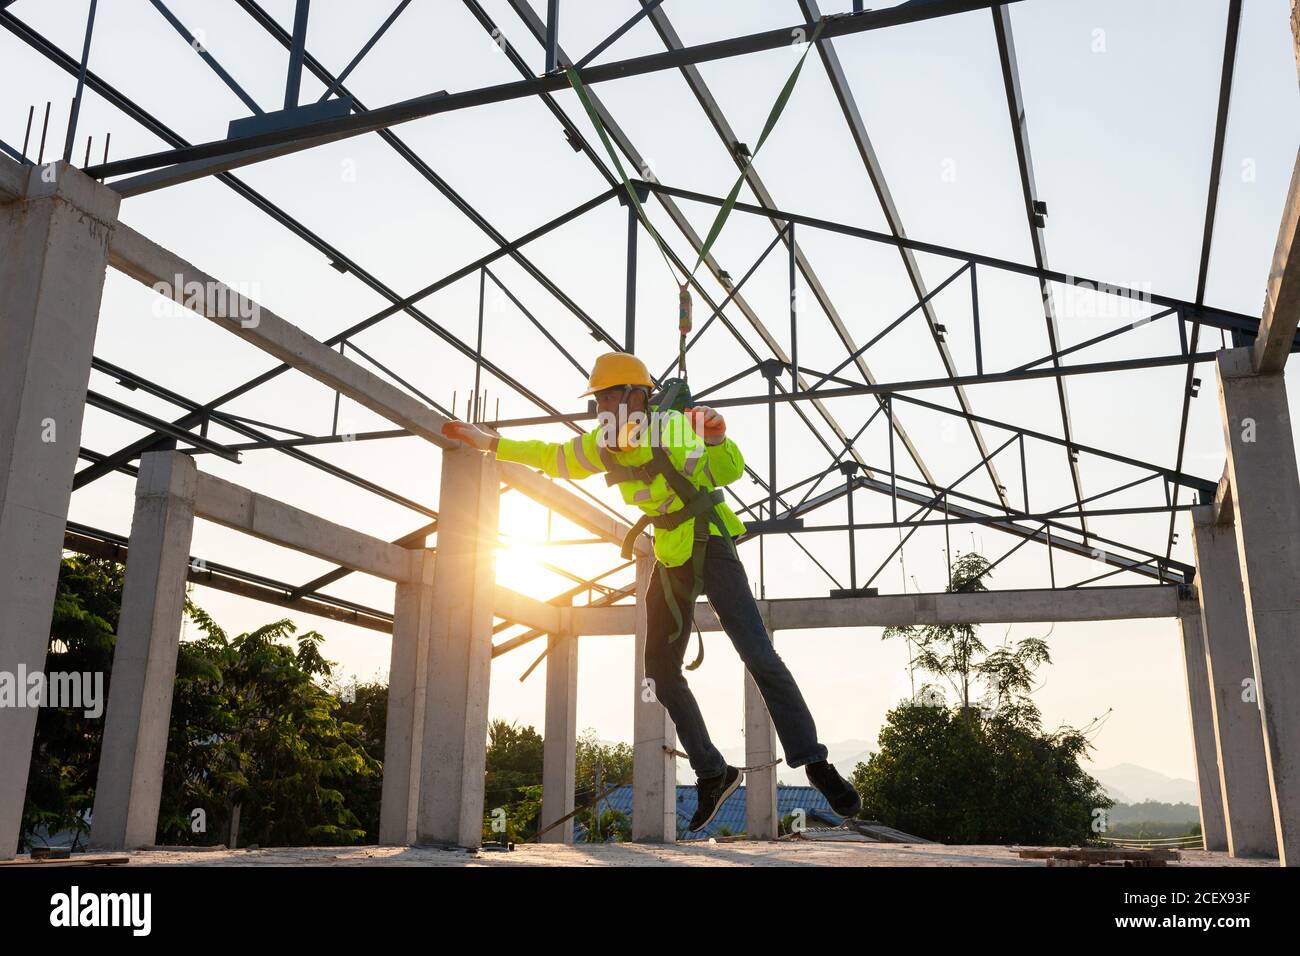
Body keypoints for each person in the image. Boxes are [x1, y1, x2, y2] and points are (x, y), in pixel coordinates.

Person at [443, 352, 861, 832]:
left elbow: (725, 470)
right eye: (598, 401)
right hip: (670, 556)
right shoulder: (602, 445)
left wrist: (718, 436)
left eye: (611, 398)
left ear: (638, 397)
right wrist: (491, 444)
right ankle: (712, 771)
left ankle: (814, 762)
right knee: (660, 672)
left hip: (710, 541)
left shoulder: (672, 428)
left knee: (757, 653)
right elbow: (551, 457)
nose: (603, 409)